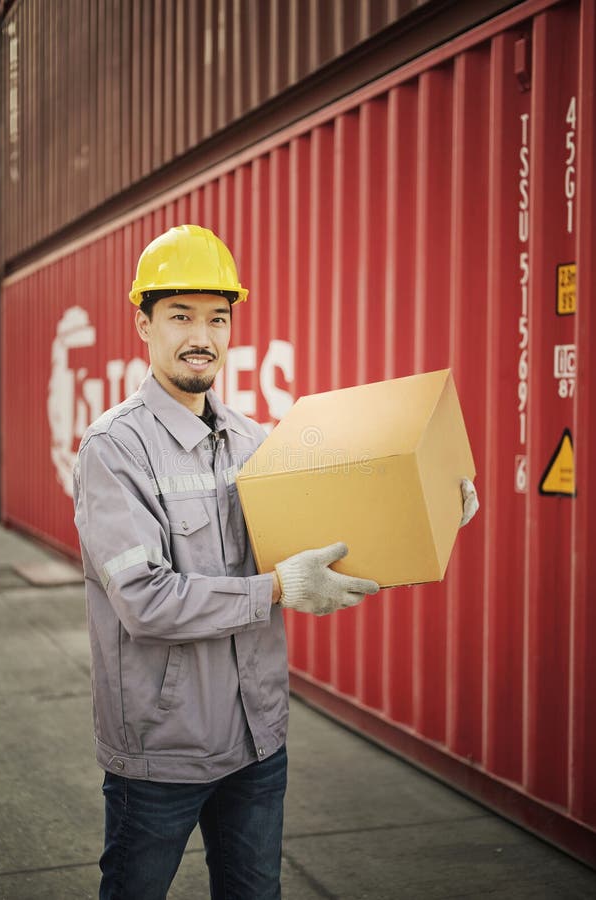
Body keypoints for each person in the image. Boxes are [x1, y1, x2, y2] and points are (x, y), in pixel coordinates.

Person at [72, 224, 479, 900]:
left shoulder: (254, 440)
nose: (200, 335)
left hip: (257, 743)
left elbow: (334, 529)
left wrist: (432, 502)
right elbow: (144, 601)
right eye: (179, 316)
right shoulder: (114, 450)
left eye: (217, 318)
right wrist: (276, 590)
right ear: (143, 324)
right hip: (161, 752)